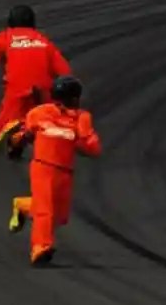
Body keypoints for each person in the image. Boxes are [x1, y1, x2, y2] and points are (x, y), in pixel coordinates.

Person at [7, 75, 102, 267]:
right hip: (43, 166)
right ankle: (41, 248)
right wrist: (16, 142)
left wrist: (83, 135)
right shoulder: (40, 113)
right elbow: (25, 134)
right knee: (46, 212)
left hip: (65, 171)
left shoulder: (82, 118)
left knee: (59, 216)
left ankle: (23, 206)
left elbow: (94, 149)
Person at [0, 4, 72, 154]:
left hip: (17, 90)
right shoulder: (43, 41)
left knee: (4, 127)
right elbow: (65, 71)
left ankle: (17, 138)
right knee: (49, 118)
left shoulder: (5, 37)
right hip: (43, 90)